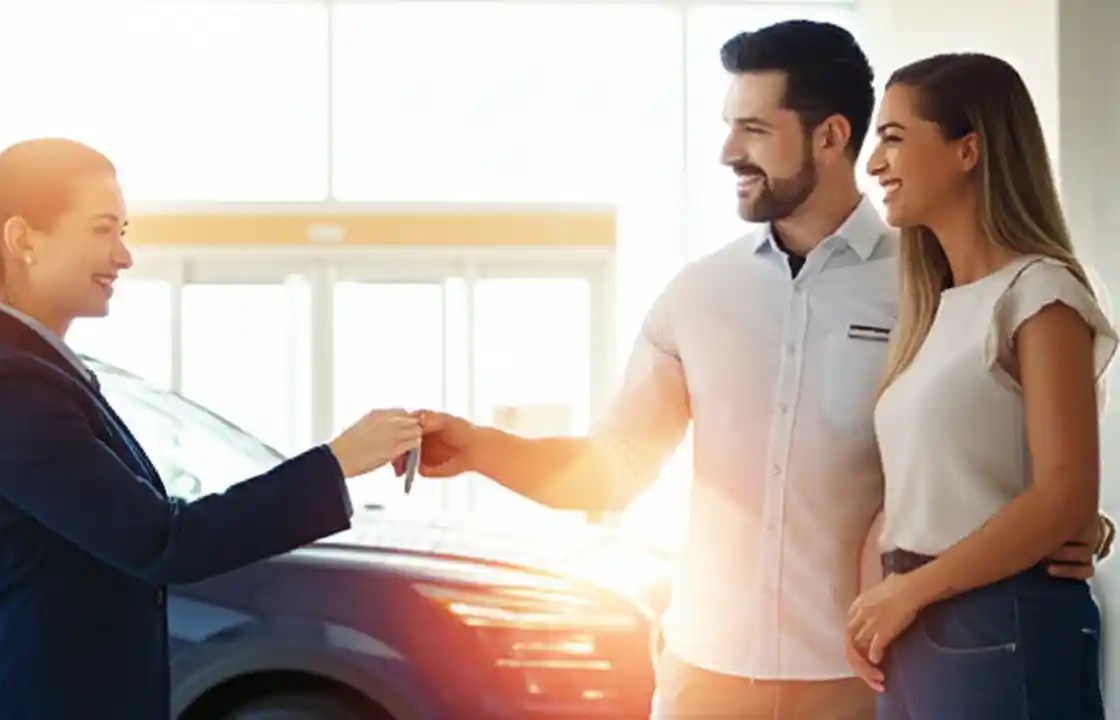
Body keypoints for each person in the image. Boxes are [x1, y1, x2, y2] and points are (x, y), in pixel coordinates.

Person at [405, 21, 1112, 720]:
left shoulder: (929, 285)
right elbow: (613, 467)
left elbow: (983, 446)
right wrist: (480, 450)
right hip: (703, 679)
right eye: (726, 126)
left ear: (830, 137)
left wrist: (1068, 527)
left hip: (866, 679)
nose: (726, 152)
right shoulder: (699, 295)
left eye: (753, 129)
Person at [0, 138, 422, 720]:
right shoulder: (7, 388)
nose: (124, 256)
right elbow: (161, 540)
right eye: (103, 230)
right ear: (24, 239)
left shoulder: (30, 372)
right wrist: (336, 461)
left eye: (123, 230)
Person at [846, 53, 1115, 719]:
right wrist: (874, 603)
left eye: (894, 137)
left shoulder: (1040, 293)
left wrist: (908, 594)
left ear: (969, 150)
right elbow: (918, 490)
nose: (875, 163)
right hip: (913, 628)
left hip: (998, 626)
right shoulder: (934, 311)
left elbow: (1065, 492)